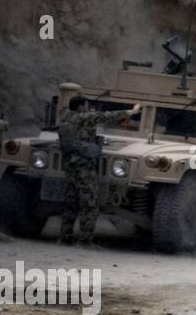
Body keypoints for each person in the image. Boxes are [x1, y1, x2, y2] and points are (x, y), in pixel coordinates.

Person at [58, 97, 140, 243]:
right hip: (84, 165)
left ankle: (64, 237)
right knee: (90, 203)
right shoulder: (84, 117)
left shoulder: (65, 115)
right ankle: (84, 240)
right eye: (87, 106)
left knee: (70, 202)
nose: (89, 109)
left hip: (69, 164)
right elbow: (107, 116)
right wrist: (132, 111)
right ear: (81, 107)